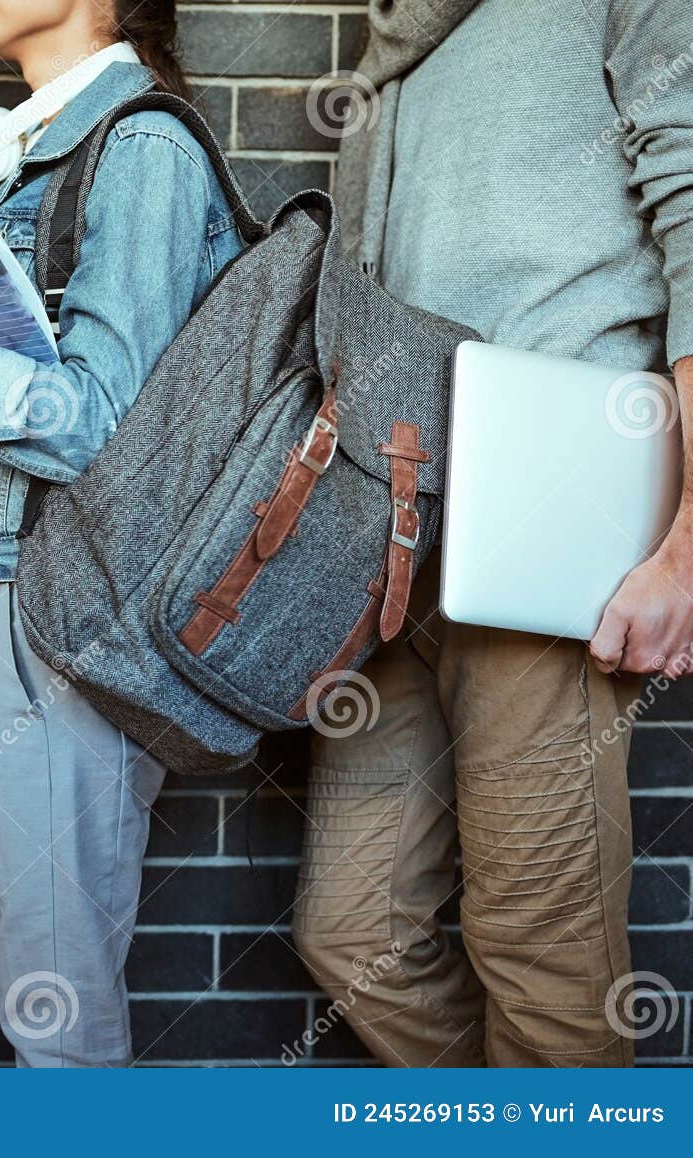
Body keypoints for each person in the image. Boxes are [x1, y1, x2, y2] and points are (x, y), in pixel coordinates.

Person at [0, 0, 242, 1066]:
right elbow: (39, 415)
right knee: (50, 988)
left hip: (68, 617)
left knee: (54, 1010)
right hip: (18, 600)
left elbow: (102, 424)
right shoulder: (39, 150)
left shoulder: (141, 143)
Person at [292, 0, 693, 1067]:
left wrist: (686, 550)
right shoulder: (393, 46)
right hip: (388, 548)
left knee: (539, 951)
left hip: (554, 533)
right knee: (352, 935)